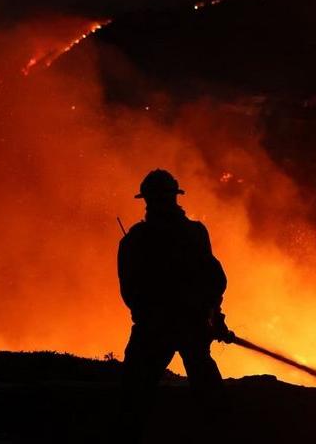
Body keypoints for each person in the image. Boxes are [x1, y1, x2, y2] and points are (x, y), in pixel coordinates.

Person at [117, 168, 233, 440]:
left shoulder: (135, 240)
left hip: (155, 330)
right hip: (185, 326)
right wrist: (211, 315)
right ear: (174, 197)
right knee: (206, 387)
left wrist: (213, 315)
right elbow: (214, 280)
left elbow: (130, 291)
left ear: (146, 200)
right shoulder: (193, 233)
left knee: (135, 394)